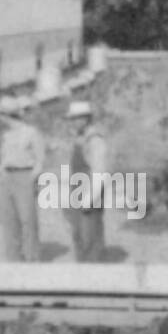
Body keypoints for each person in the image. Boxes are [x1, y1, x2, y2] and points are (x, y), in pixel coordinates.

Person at [0, 107, 46, 261]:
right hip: (6, 178)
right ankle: (14, 260)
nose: (0, 119)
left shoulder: (31, 132)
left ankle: (32, 258)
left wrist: (33, 178)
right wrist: (1, 174)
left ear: (7, 115)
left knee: (27, 220)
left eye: (1, 115)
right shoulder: (6, 135)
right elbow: (4, 158)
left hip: (25, 175)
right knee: (9, 220)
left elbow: (40, 159)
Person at [64, 101, 107, 262]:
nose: (73, 122)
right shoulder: (79, 138)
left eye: (76, 119)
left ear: (86, 119)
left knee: (90, 235)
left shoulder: (95, 139)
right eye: (72, 119)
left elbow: (99, 172)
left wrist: (90, 199)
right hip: (76, 189)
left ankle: (94, 274)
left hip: (90, 190)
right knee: (78, 235)